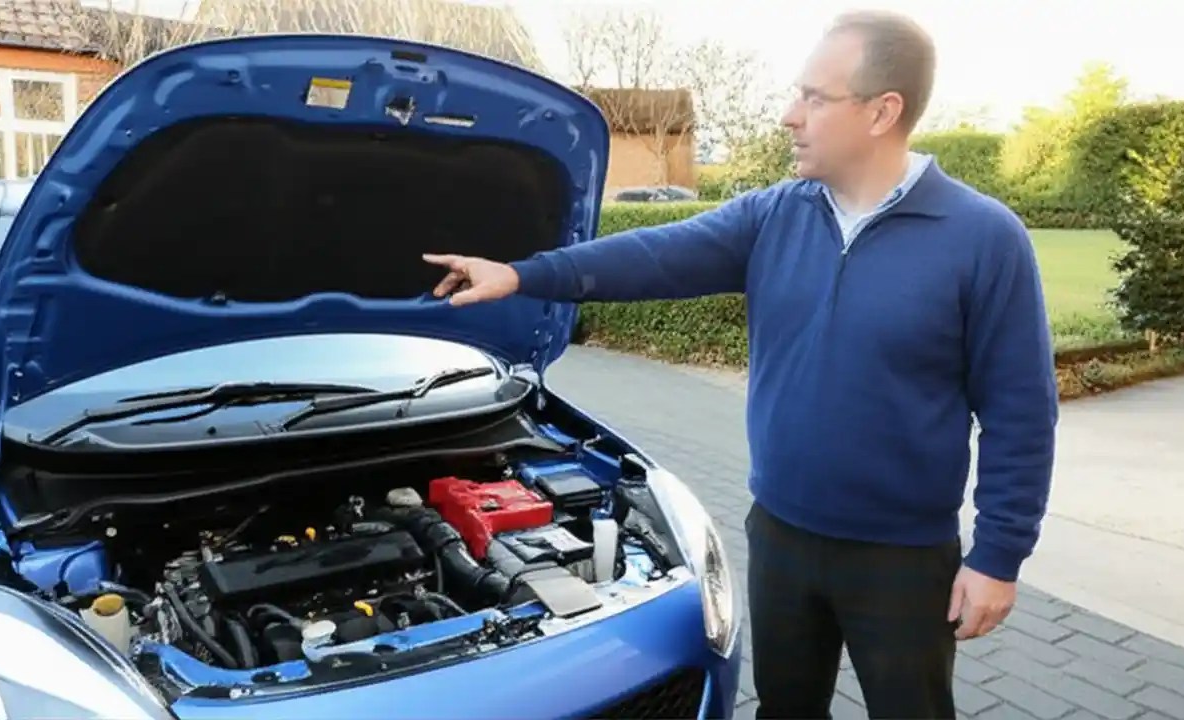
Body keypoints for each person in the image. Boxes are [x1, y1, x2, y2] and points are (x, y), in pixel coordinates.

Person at [423, 9, 1058, 719]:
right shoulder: (774, 216)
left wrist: (998, 557)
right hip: (781, 535)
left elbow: (1021, 413)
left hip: (904, 557)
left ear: (883, 111)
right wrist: (521, 274)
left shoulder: (983, 240)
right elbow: (653, 255)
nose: (790, 116)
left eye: (814, 98)